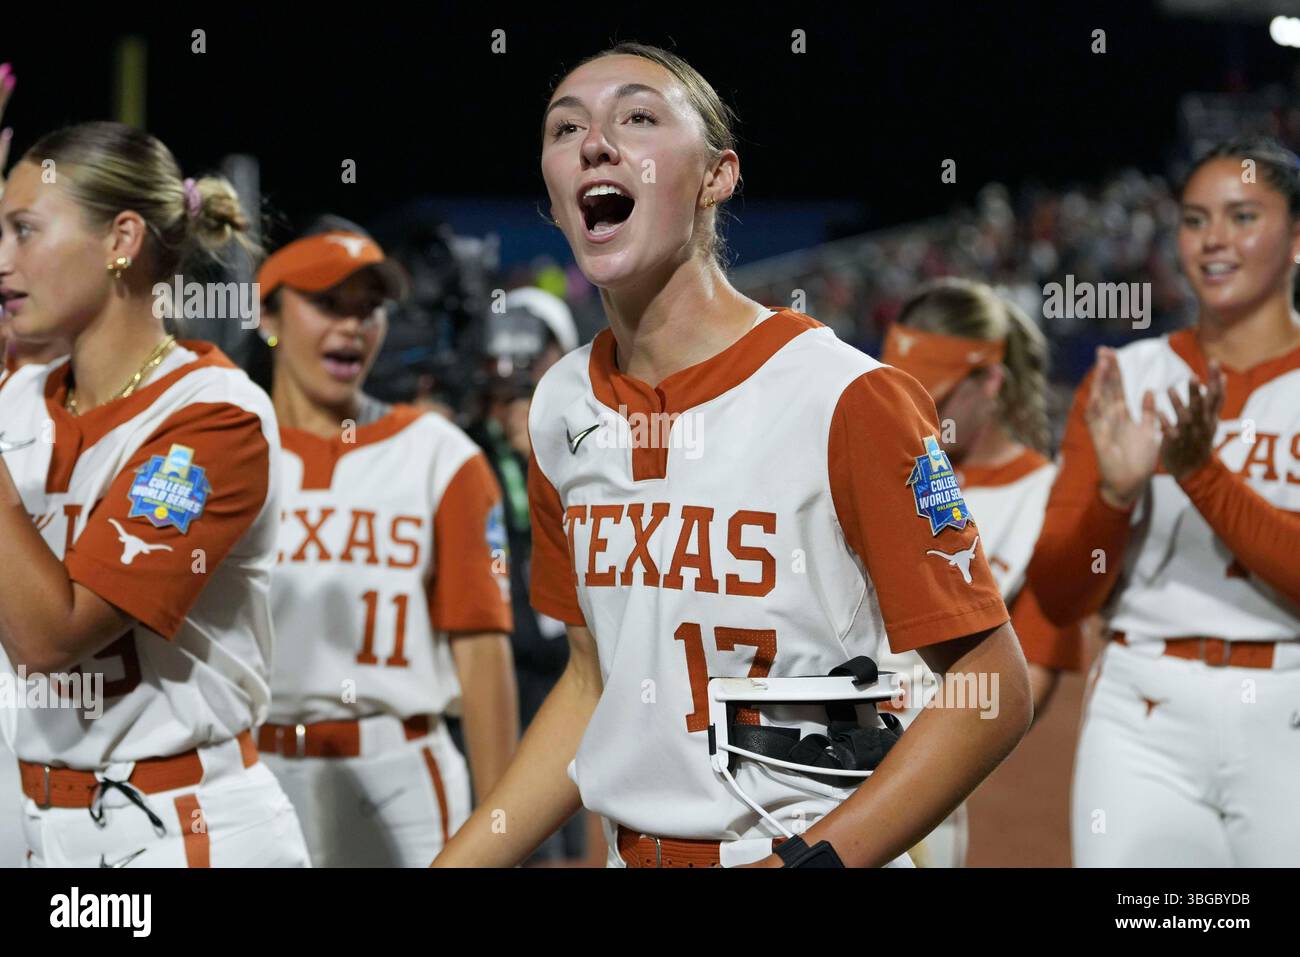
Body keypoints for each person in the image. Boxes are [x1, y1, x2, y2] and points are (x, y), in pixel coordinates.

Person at [434, 43, 1032, 869]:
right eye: (565, 127)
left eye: (638, 117)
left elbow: (990, 685)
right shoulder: (559, 405)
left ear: (718, 176)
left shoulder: (843, 395)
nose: (595, 142)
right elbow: (590, 682)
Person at [0, 120, 309, 867]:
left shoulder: (216, 417)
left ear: (121, 239)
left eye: (24, 230)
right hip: (39, 825)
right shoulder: (19, 396)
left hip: (182, 827)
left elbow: (51, 638)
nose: (2, 260)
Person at [1026, 136, 1300, 867]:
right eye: (1193, 219)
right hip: (1143, 712)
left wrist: (1198, 473)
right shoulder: (1130, 375)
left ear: (1298, 237)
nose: (1213, 239)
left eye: (1243, 216)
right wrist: (1114, 496)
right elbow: (1057, 595)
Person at [252, 215, 518, 867]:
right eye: (326, 304)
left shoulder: (440, 457)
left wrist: (505, 832)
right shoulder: (221, 447)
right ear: (269, 316)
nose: (352, 325)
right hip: (252, 776)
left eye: (368, 307)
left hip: (400, 776)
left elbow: (483, 658)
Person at [878, 277, 1084, 866]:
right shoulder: (872, 456)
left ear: (989, 381)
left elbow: (1031, 676)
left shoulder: (1045, 498)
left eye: (934, 398)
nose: (911, 413)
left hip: (918, 772)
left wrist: (919, 754)